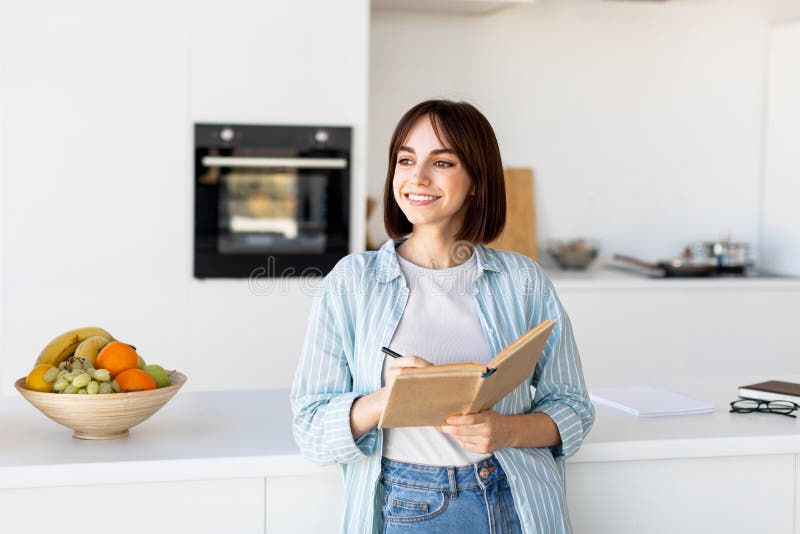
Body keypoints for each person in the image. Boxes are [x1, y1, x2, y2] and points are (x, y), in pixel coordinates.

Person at [291, 99, 595, 534]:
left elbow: (573, 409)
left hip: (518, 501)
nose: (417, 177)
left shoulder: (523, 280)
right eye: (406, 160)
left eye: (443, 162)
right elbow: (311, 428)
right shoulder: (352, 282)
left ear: (476, 180)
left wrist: (506, 431)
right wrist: (385, 400)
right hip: (409, 506)